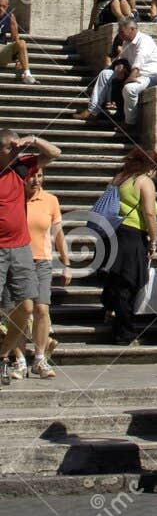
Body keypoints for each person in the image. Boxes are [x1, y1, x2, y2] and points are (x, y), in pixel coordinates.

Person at [0, 129, 61, 382]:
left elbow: (55, 153)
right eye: (8, 147)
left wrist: (33, 140)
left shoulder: (21, 167)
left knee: (27, 308)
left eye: (17, 147)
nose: (15, 150)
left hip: (21, 247)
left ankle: (2, 355)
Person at [100, 147, 157, 346]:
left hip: (113, 233)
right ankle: (123, 332)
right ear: (151, 166)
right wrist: (153, 240)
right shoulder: (143, 181)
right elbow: (149, 214)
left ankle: (111, 310)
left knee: (117, 280)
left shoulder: (119, 178)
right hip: (132, 236)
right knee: (128, 284)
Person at [23, 165, 68, 378]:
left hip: (42, 260)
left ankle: (40, 358)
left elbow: (58, 234)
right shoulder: (12, 198)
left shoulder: (51, 200)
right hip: (17, 260)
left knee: (41, 308)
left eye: (40, 176)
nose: (36, 180)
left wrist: (66, 263)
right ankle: (19, 359)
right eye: (31, 176)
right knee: (21, 311)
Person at [80, 19, 157, 126]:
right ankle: (93, 111)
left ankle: (129, 123)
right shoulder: (126, 42)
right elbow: (123, 59)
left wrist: (129, 78)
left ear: (132, 29)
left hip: (151, 76)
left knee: (129, 89)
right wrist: (119, 66)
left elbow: (139, 61)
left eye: (122, 32)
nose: (120, 35)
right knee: (105, 74)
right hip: (134, 73)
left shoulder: (145, 40)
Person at [0, 0, 34, 85]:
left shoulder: (10, 17)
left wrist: (19, 58)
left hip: (2, 50)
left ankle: (27, 74)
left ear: (7, 7)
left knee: (21, 43)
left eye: (3, 6)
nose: (1, 8)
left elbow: (15, 39)